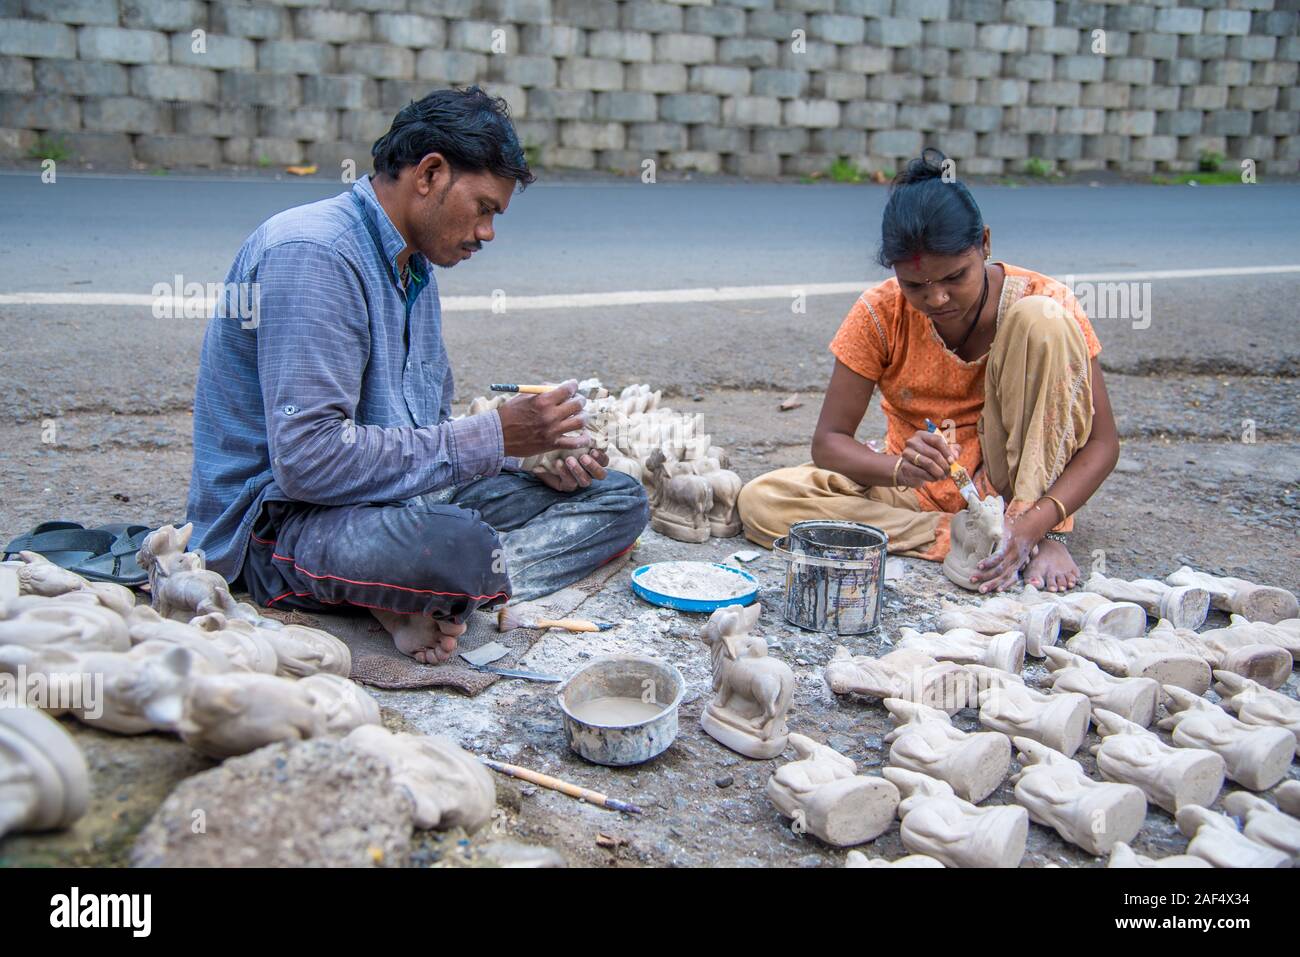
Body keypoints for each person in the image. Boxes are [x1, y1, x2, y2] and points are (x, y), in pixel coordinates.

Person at [186, 87, 648, 664]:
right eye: (483, 208)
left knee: (618, 496)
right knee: (456, 546)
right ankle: (440, 583)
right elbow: (307, 463)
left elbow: (420, 438)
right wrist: (495, 436)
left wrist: (526, 458)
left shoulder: (414, 271)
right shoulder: (314, 254)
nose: (487, 233)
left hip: (392, 504)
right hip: (283, 523)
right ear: (429, 173)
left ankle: (432, 594)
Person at [739, 149, 1119, 594]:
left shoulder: (1042, 298)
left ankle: (1029, 532)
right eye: (915, 285)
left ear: (986, 245)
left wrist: (1039, 523)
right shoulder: (881, 313)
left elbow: (1102, 442)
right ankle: (960, 535)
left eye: (955, 277)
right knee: (761, 501)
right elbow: (829, 442)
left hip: (1012, 485)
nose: (937, 299)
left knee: (1044, 317)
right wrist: (900, 466)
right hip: (919, 488)